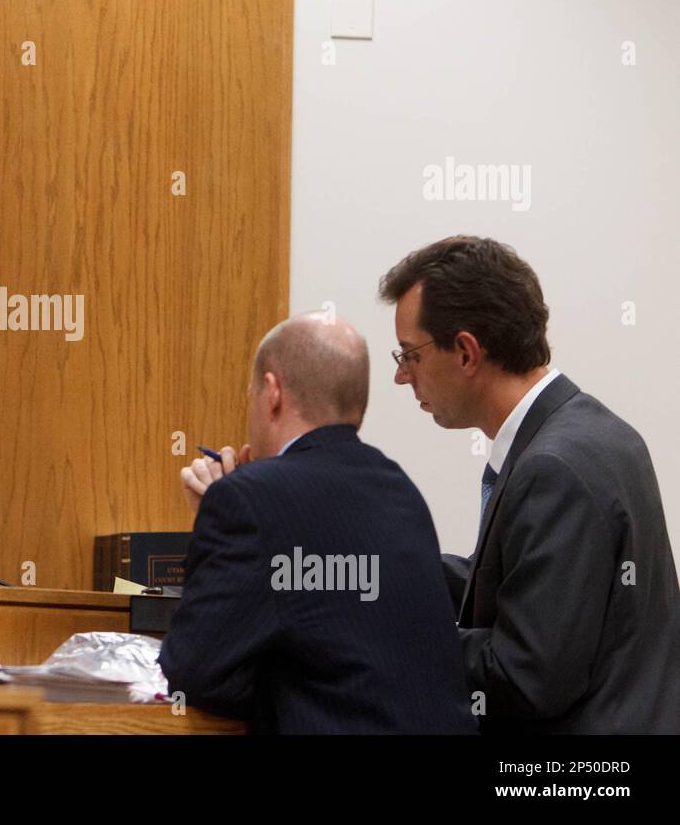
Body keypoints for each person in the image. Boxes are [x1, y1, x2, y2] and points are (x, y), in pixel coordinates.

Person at [379, 235, 680, 733]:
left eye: (409, 355)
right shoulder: (594, 431)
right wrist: (388, 574)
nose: (402, 377)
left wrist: (387, 635)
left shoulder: (554, 468)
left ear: (466, 352)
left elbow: (525, 678)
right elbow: (520, 583)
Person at [159, 313, 474, 733]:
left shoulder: (246, 499)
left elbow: (194, 673)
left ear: (271, 393)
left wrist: (223, 508)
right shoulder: (400, 490)